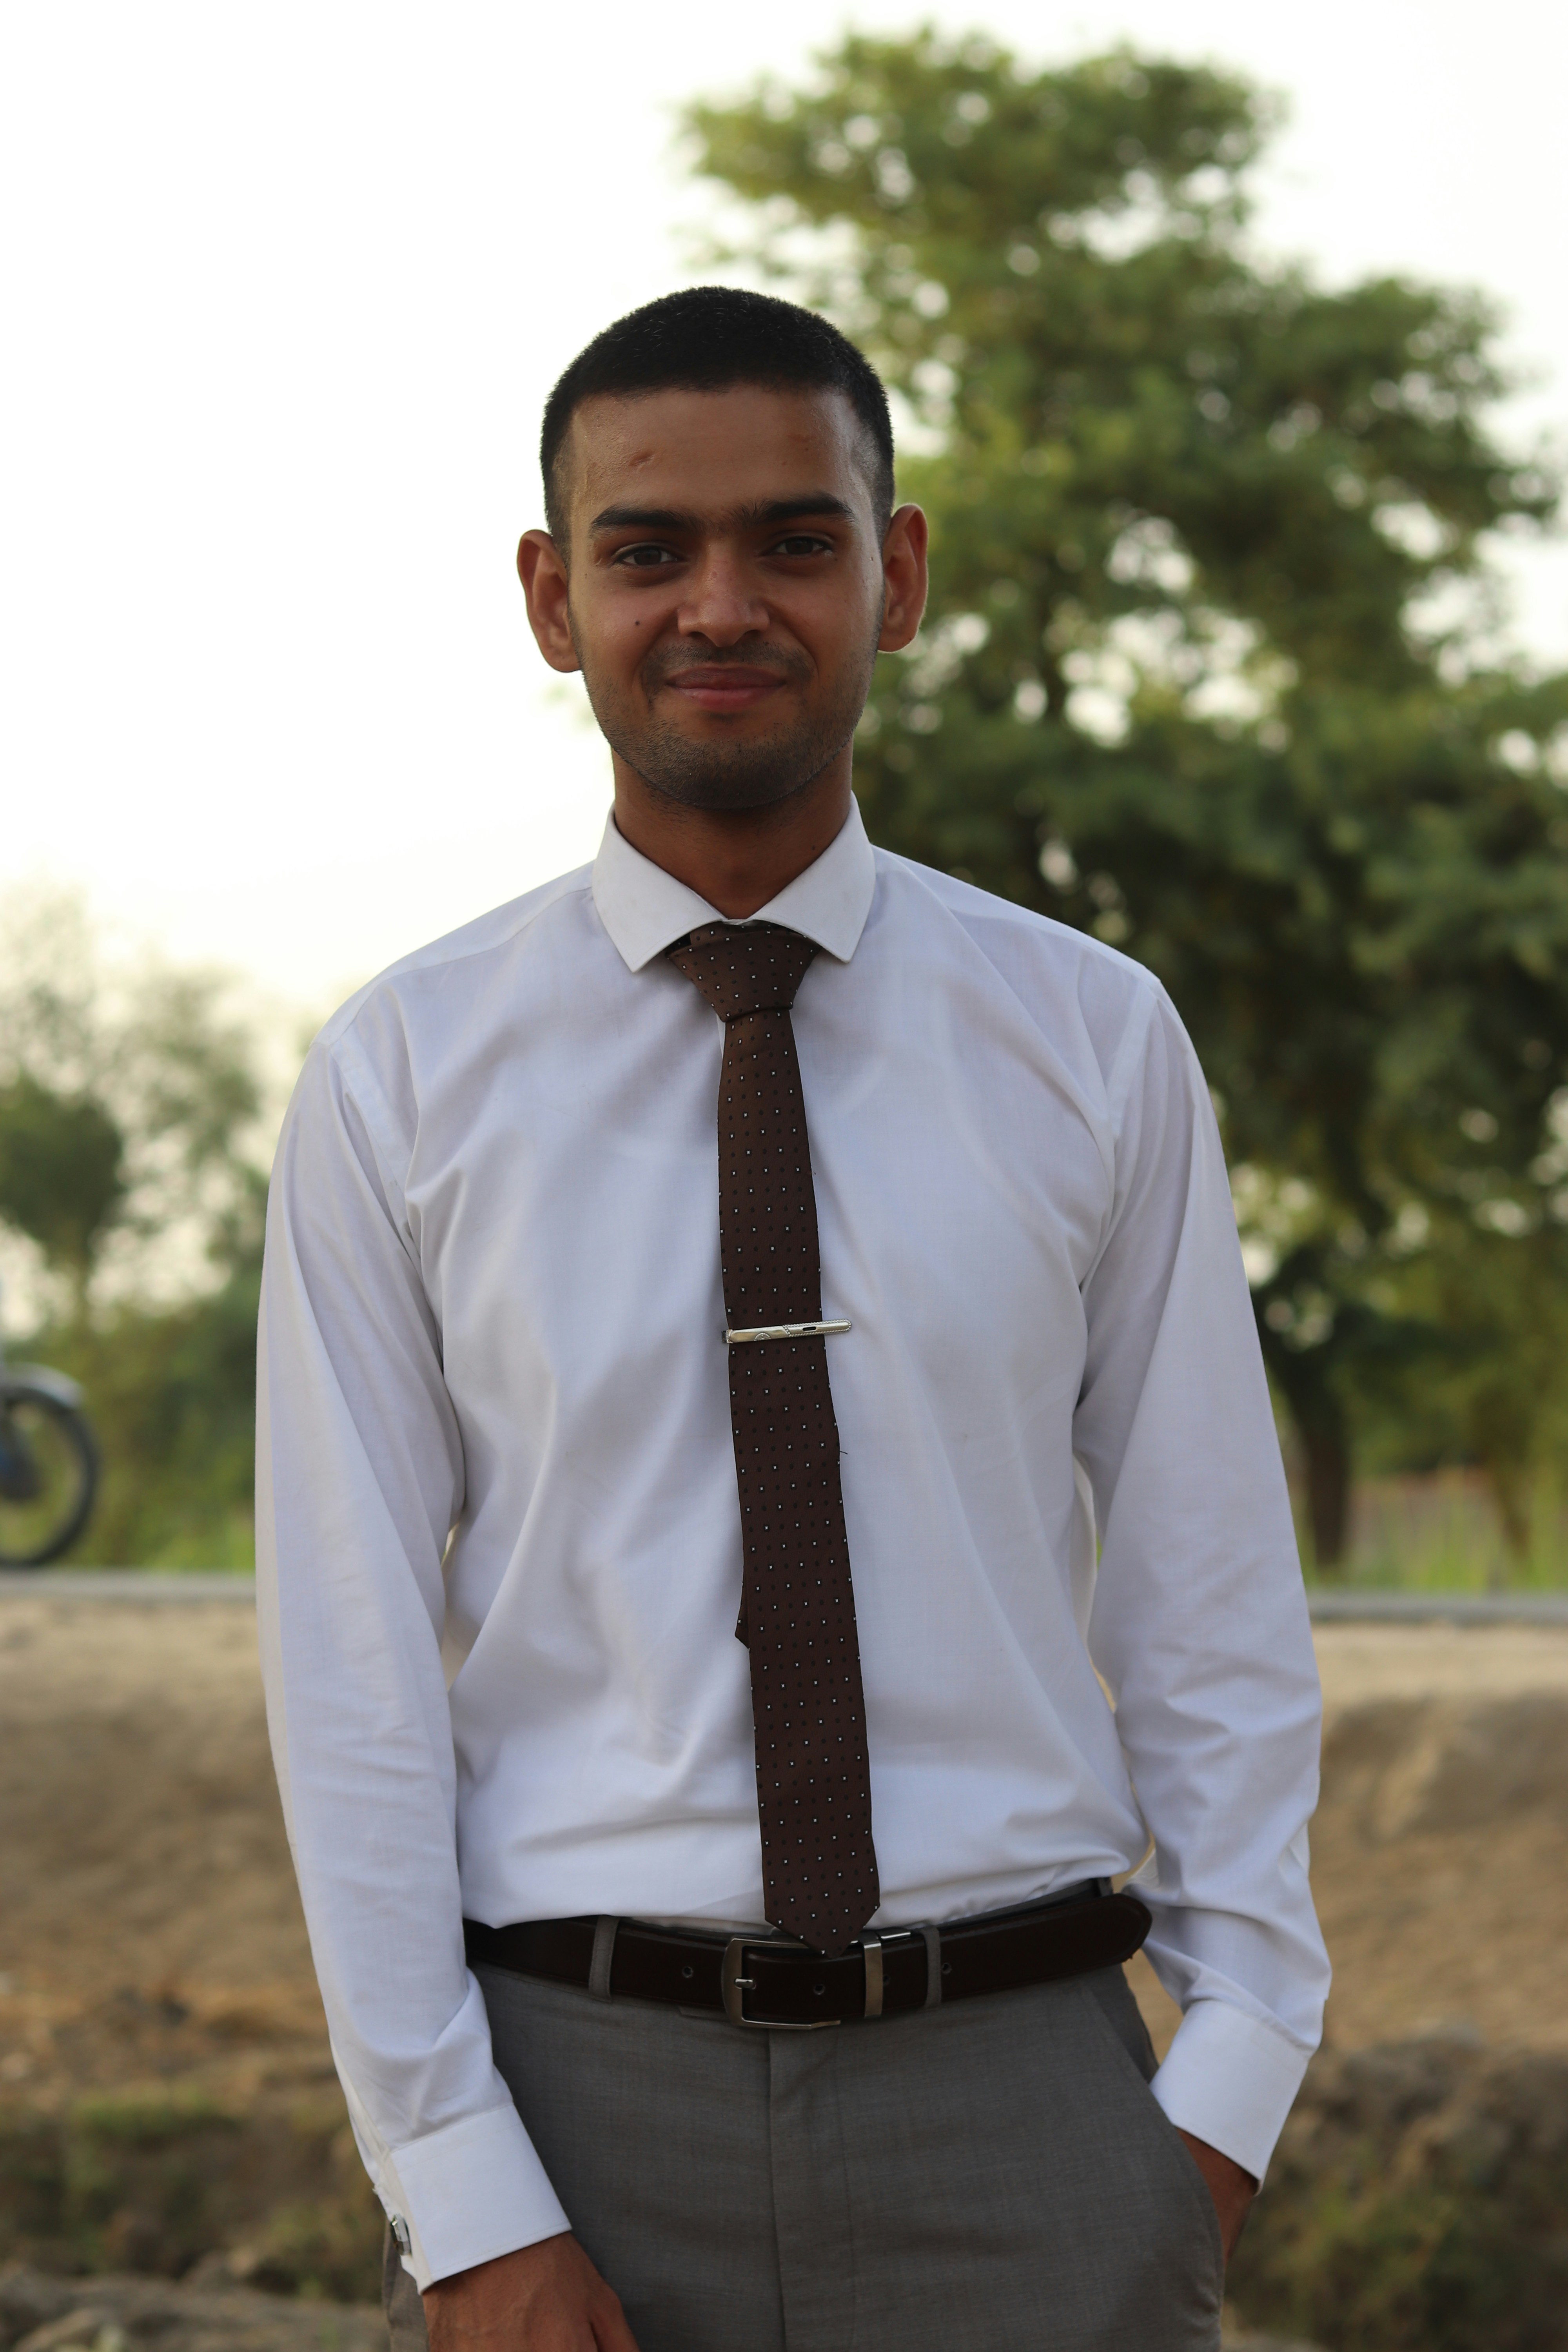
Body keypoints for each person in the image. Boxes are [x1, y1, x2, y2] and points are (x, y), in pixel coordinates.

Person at [256, 285, 1329, 2352]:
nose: (720, 602)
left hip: (1029, 2101)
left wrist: (1227, 2079)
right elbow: (353, 1674)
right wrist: (460, 2197)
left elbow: (1211, 1595)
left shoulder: (1094, 1044)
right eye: (651, 551)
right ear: (555, 597)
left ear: (895, 574)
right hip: (575, 2101)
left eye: (794, 540)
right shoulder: (398, 1079)